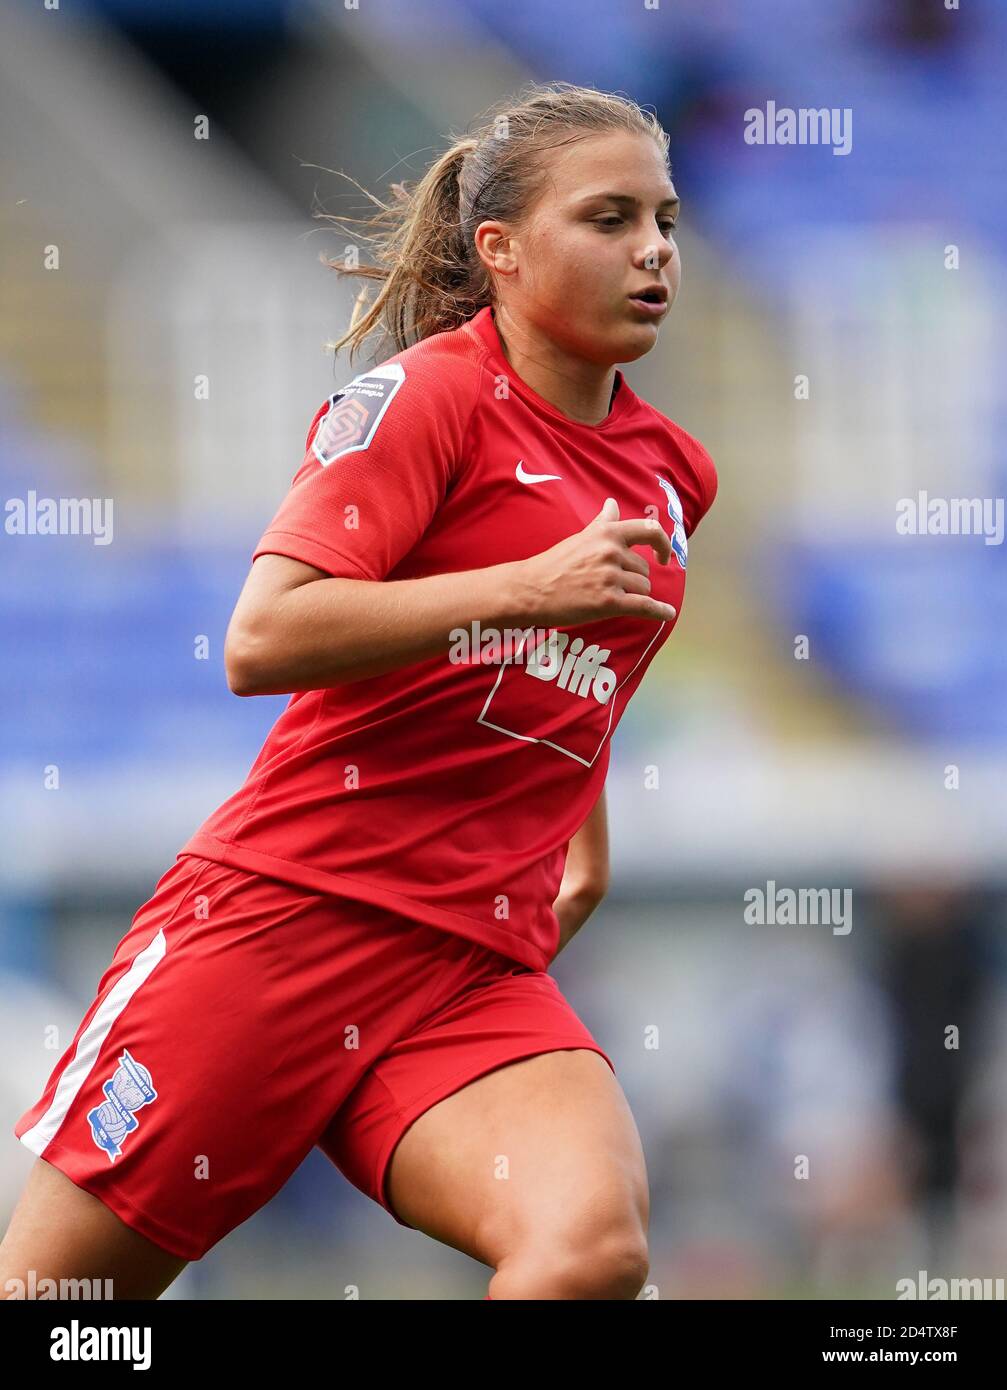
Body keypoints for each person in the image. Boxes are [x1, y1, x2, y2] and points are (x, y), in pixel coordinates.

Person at [2, 80, 717, 1300]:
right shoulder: (426, 400)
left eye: (663, 219)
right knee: (64, 1311)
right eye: (607, 219)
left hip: (464, 965)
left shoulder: (671, 472)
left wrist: (577, 845)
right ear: (497, 249)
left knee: (588, 1251)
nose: (650, 249)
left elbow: (579, 672)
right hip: (281, 923)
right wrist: (521, 585)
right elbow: (262, 635)